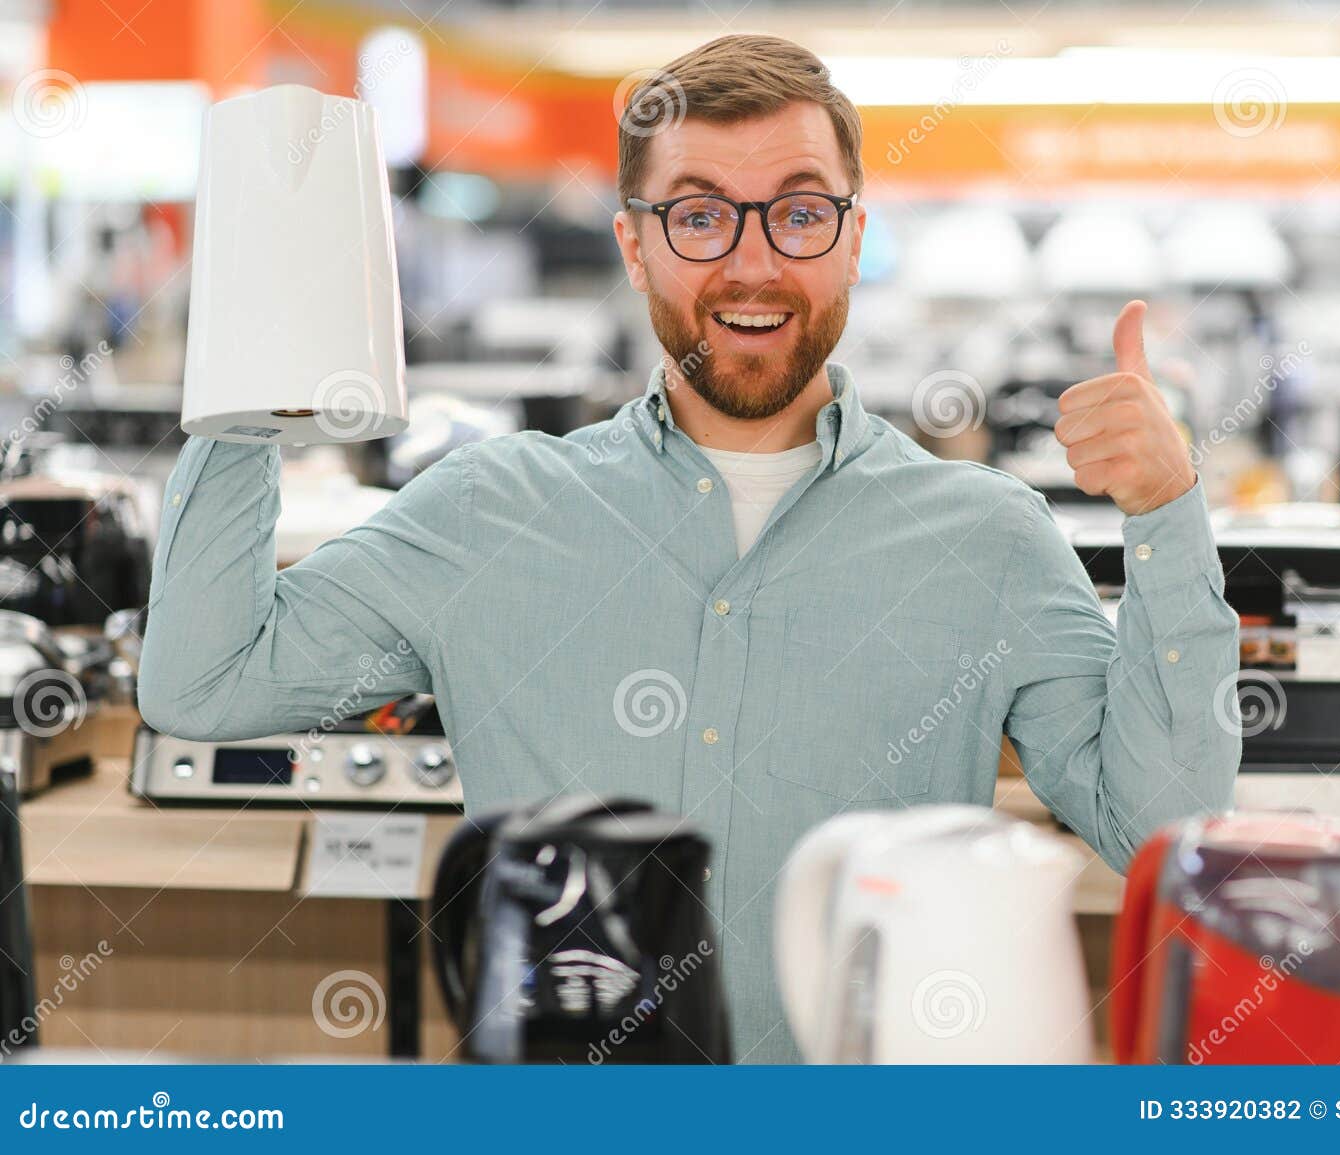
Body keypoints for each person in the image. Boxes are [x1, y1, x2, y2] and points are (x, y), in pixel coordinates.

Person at [138, 34, 1239, 1064]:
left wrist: (1166, 509)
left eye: (799, 214)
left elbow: (1161, 834)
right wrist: (248, 397)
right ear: (633, 241)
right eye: (700, 216)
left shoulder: (990, 537)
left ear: (853, 235)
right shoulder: (488, 510)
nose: (752, 265)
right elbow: (205, 684)